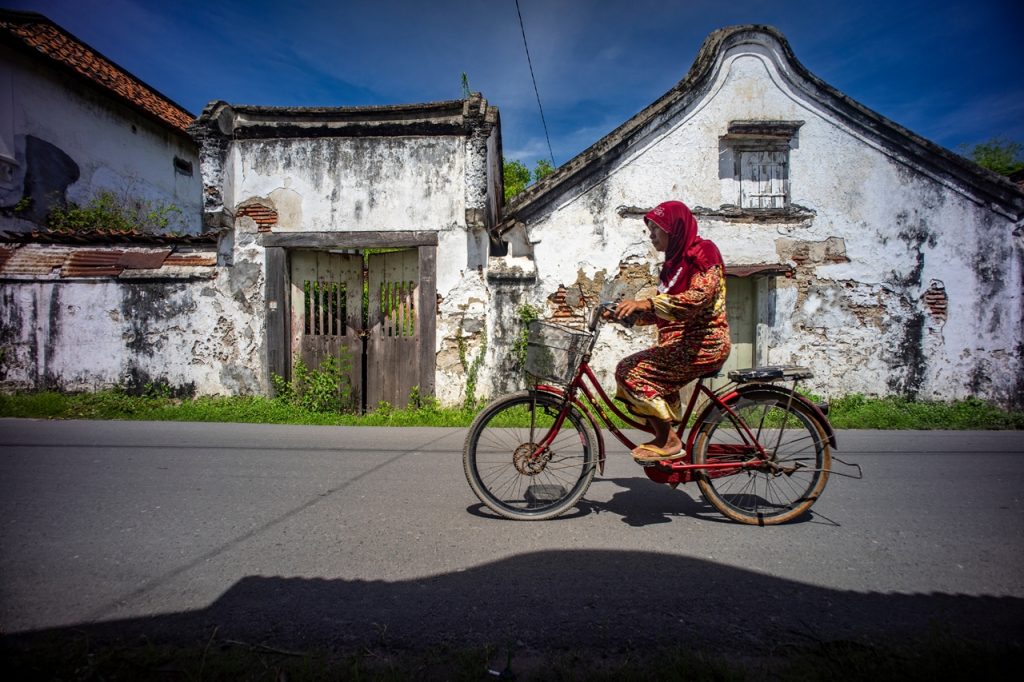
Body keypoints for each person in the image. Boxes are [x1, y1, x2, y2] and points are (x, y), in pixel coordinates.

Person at [612, 200, 731, 462]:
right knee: (638, 372)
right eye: (650, 229)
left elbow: (698, 297)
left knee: (629, 371)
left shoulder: (703, 252)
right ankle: (668, 442)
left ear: (674, 229)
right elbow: (662, 313)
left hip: (704, 342)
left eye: (657, 229)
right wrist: (626, 315)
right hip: (678, 342)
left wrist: (646, 302)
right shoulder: (671, 267)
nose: (652, 235)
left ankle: (668, 441)